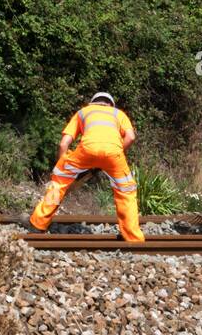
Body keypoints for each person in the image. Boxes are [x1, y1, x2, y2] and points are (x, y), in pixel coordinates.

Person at [29, 92, 142, 240]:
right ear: (110, 104)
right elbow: (131, 137)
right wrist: (115, 152)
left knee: (58, 184)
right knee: (126, 191)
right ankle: (132, 237)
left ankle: (38, 224)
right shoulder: (118, 113)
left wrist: (62, 168)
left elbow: (64, 143)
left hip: (86, 151)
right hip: (114, 153)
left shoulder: (83, 112)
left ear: (93, 103)